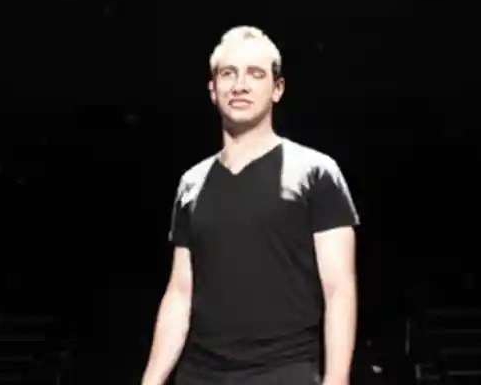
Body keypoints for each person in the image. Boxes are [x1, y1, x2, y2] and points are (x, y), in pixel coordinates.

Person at [141, 26, 360, 385]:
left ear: (277, 89)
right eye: (228, 73)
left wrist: (336, 379)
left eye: (255, 74)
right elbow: (180, 292)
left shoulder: (317, 173)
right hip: (199, 373)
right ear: (213, 89)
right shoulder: (191, 185)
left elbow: (339, 288)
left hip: (283, 370)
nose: (239, 85)